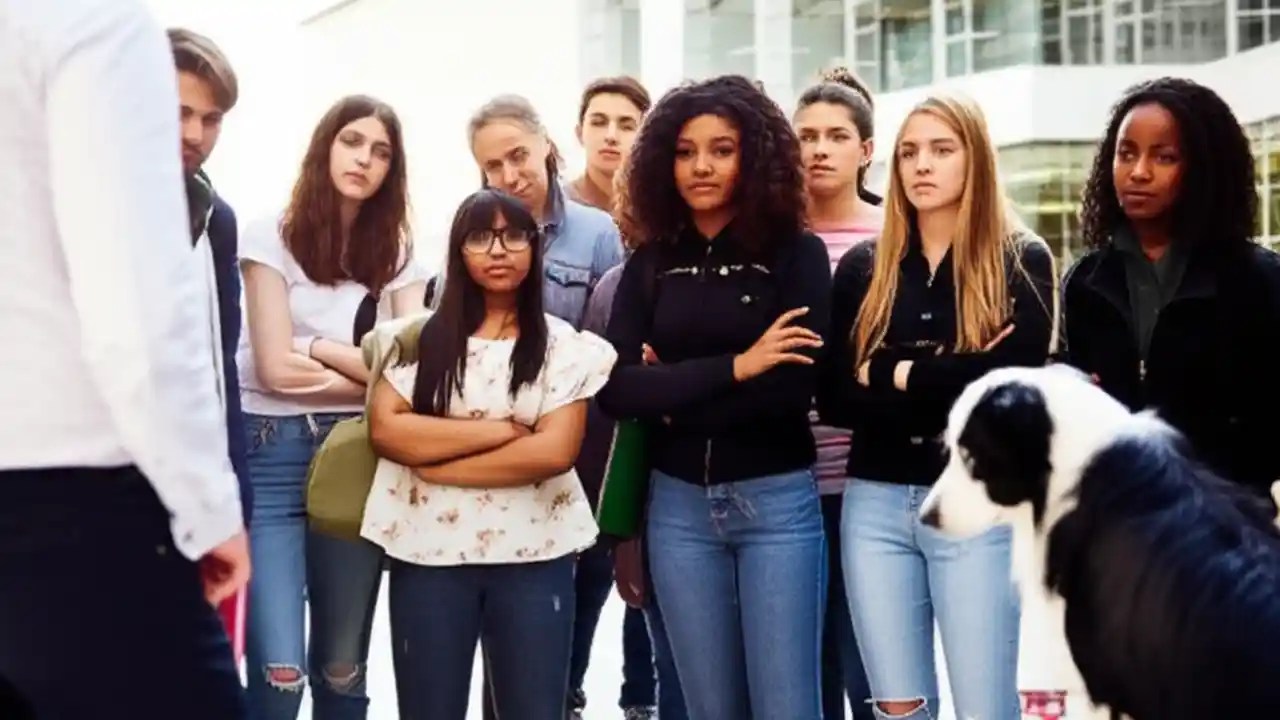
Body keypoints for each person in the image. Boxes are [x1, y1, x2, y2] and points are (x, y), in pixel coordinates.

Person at [0, 1, 249, 717]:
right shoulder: (91, 24)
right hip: (72, 508)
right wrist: (208, 509)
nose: (193, 133)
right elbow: (136, 318)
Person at [598, 75, 831, 720]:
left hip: (778, 505)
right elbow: (615, 387)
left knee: (787, 708)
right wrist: (740, 364)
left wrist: (670, 393)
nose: (701, 165)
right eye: (684, 150)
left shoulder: (797, 255)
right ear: (660, 163)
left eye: (721, 149)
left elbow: (792, 390)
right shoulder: (648, 264)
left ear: (752, 156)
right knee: (709, 709)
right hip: (677, 511)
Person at [818, 92, 1056, 720]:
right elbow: (837, 397)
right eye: (909, 153)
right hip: (872, 508)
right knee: (899, 709)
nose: (921, 165)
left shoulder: (1021, 261)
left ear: (973, 159)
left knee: (985, 706)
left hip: (976, 506)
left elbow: (1011, 392)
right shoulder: (865, 268)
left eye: (941, 150)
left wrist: (893, 370)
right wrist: (958, 372)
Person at [363, 188, 617, 720]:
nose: (498, 250)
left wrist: (431, 460)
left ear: (534, 247)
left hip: (534, 553)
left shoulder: (563, 346)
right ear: (458, 251)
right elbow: (387, 430)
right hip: (427, 551)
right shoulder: (417, 342)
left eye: (513, 236)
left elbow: (554, 452)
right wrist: (502, 429)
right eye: (480, 237)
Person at [238, 95, 425, 719]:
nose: (364, 159)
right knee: (280, 671)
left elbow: (415, 382)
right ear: (325, 146)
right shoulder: (268, 235)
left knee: (342, 669)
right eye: (352, 142)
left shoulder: (398, 254)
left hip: (354, 457)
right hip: (270, 454)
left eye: (381, 152)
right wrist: (370, 372)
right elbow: (271, 370)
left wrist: (311, 344)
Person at [1062, 77, 1280, 503]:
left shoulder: (1257, 279)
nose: (1139, 172)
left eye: (1164, 157)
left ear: (1203, 169)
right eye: (1126, 154)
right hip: (1119, 522)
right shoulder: (1086, 282)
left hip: (1228, 526)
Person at [564, 75, 667, 720]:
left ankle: (641, 700)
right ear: (579, 131)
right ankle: (565, 692)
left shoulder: (667, 220)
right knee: (589, 575)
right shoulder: (559, 219)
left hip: (660, 431)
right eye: (599, 120)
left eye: (627, 122)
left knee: (646, 578)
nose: (612, 134)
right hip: (585, 431)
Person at [792, 66, 881, 720]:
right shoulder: (775, 239)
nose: (819, 149)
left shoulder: (893, 236)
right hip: (789, 480)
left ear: (866, 149)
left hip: (873, 482)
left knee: (872, 660)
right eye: (806, 136)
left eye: (836, 135)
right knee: (806, 662)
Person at [169, 27, 253, 659]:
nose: (195, 134)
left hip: (202, 489)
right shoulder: (77, 199)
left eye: (212, 119)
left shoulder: (216, 218)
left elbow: (221, 362)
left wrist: (235, 495)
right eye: (179, 112)